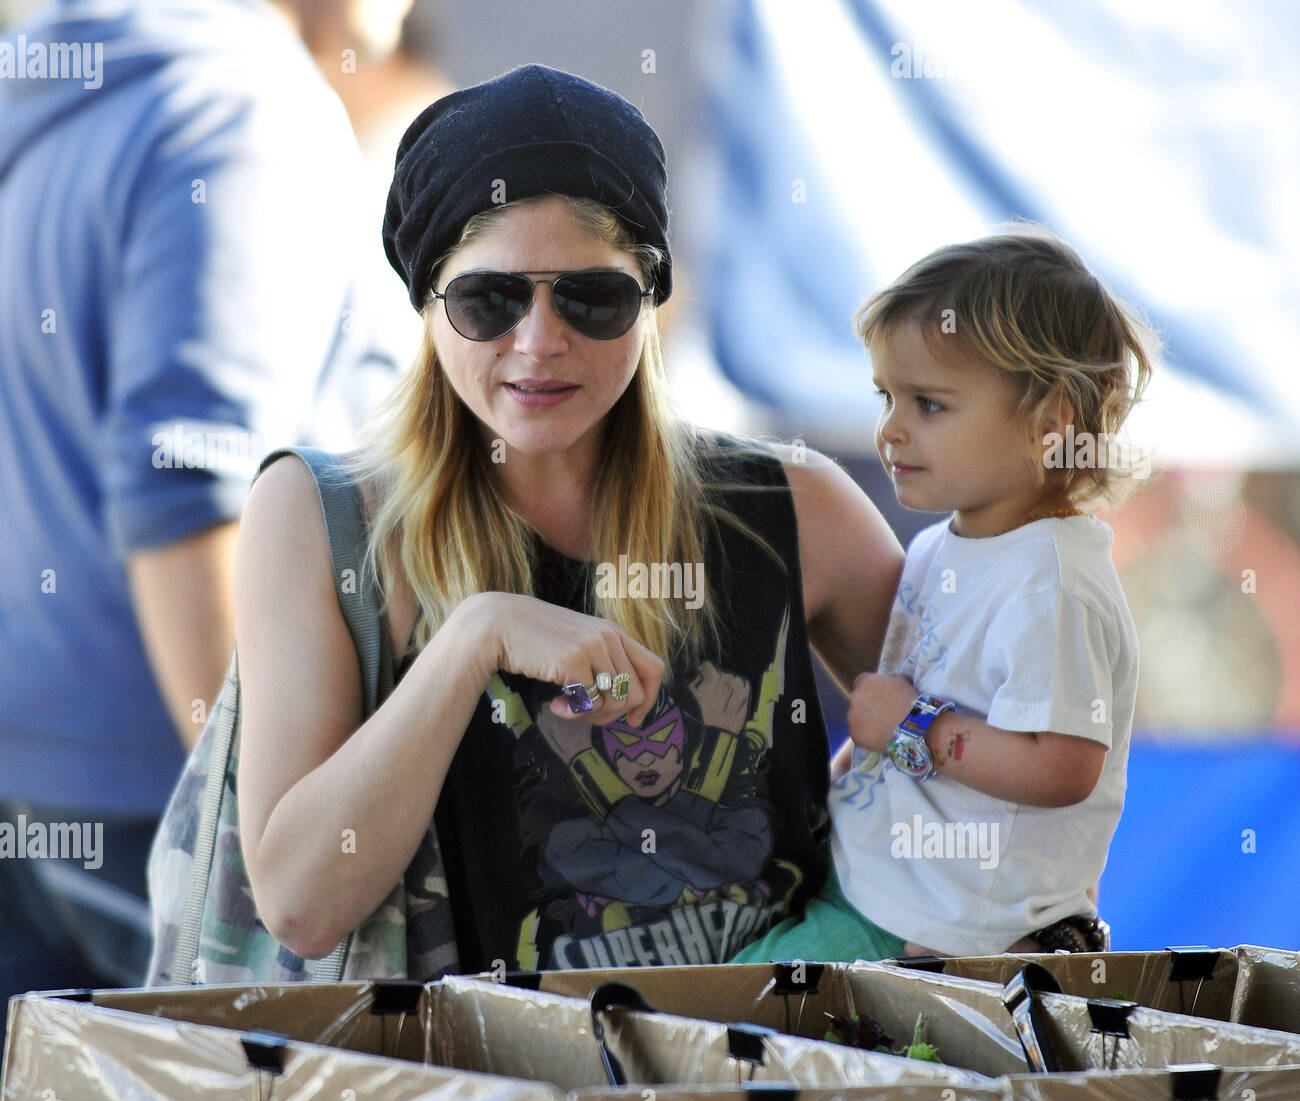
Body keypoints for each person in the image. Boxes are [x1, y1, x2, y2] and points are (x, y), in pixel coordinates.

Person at [229, 64, 903, 977]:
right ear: (427, 304)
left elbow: (988, 751)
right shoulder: (325, 518)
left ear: (652, 302)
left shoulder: (793, 507)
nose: (540, 342)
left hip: (769, 1088)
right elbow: (302, 907)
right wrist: (472, 639)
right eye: (489, 300)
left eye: (592, 298)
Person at [0, 0, 400, 1043]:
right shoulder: (240, 109)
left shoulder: (61, 90)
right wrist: (254, 839)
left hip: (38, 783)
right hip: (159, 811)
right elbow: (188, 491)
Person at [732, 227, 1154, 963]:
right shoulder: (939, 548)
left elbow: (1060, 765)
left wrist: (912, 727)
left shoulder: (1052, 581)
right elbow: (902, 708)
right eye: (886, 397)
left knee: (722, 1010)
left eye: (928, 404)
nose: (890, 429)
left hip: (940, 920)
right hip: (881, 878)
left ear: (1050, 427)